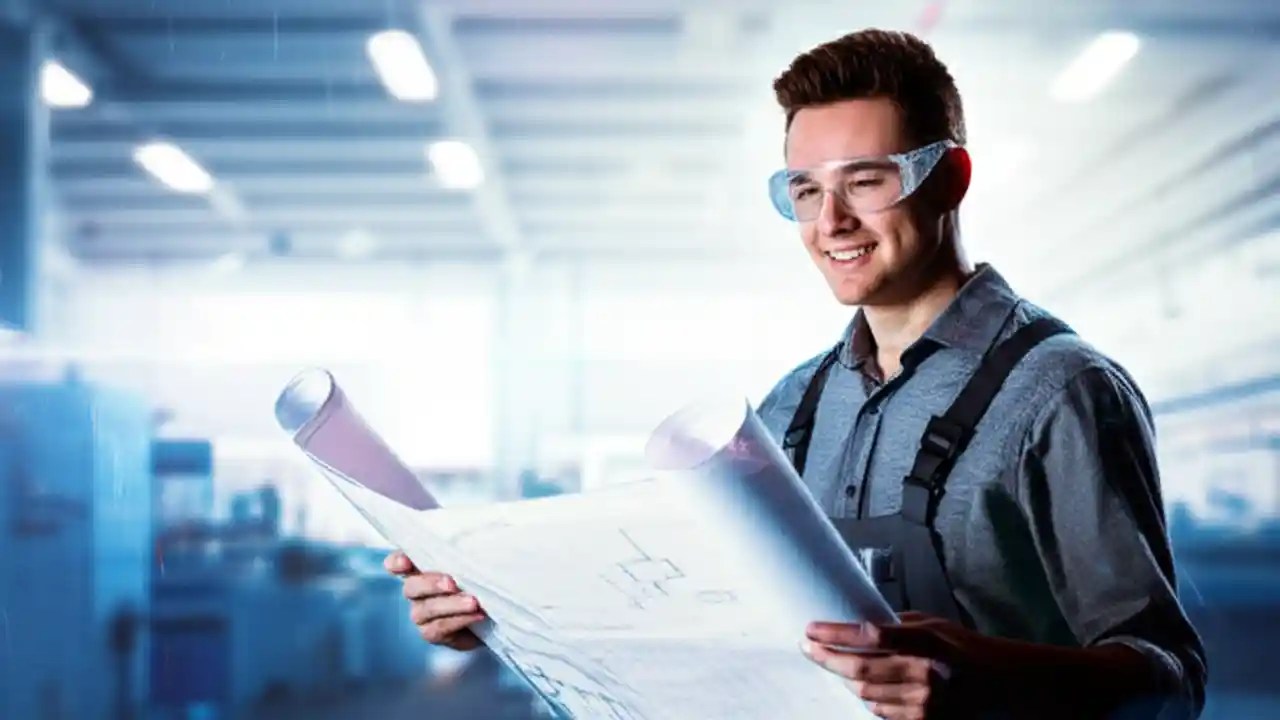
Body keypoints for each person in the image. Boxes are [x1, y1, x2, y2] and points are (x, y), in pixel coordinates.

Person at [386, 28, 1206, 720]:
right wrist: (497, 613)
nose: (831, 223)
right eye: (805, 191)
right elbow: (704, 625)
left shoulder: (1058, 391)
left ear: (948, 179)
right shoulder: (793, 406)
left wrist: (985, 676)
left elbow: (1170, 677)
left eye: (865, 182)